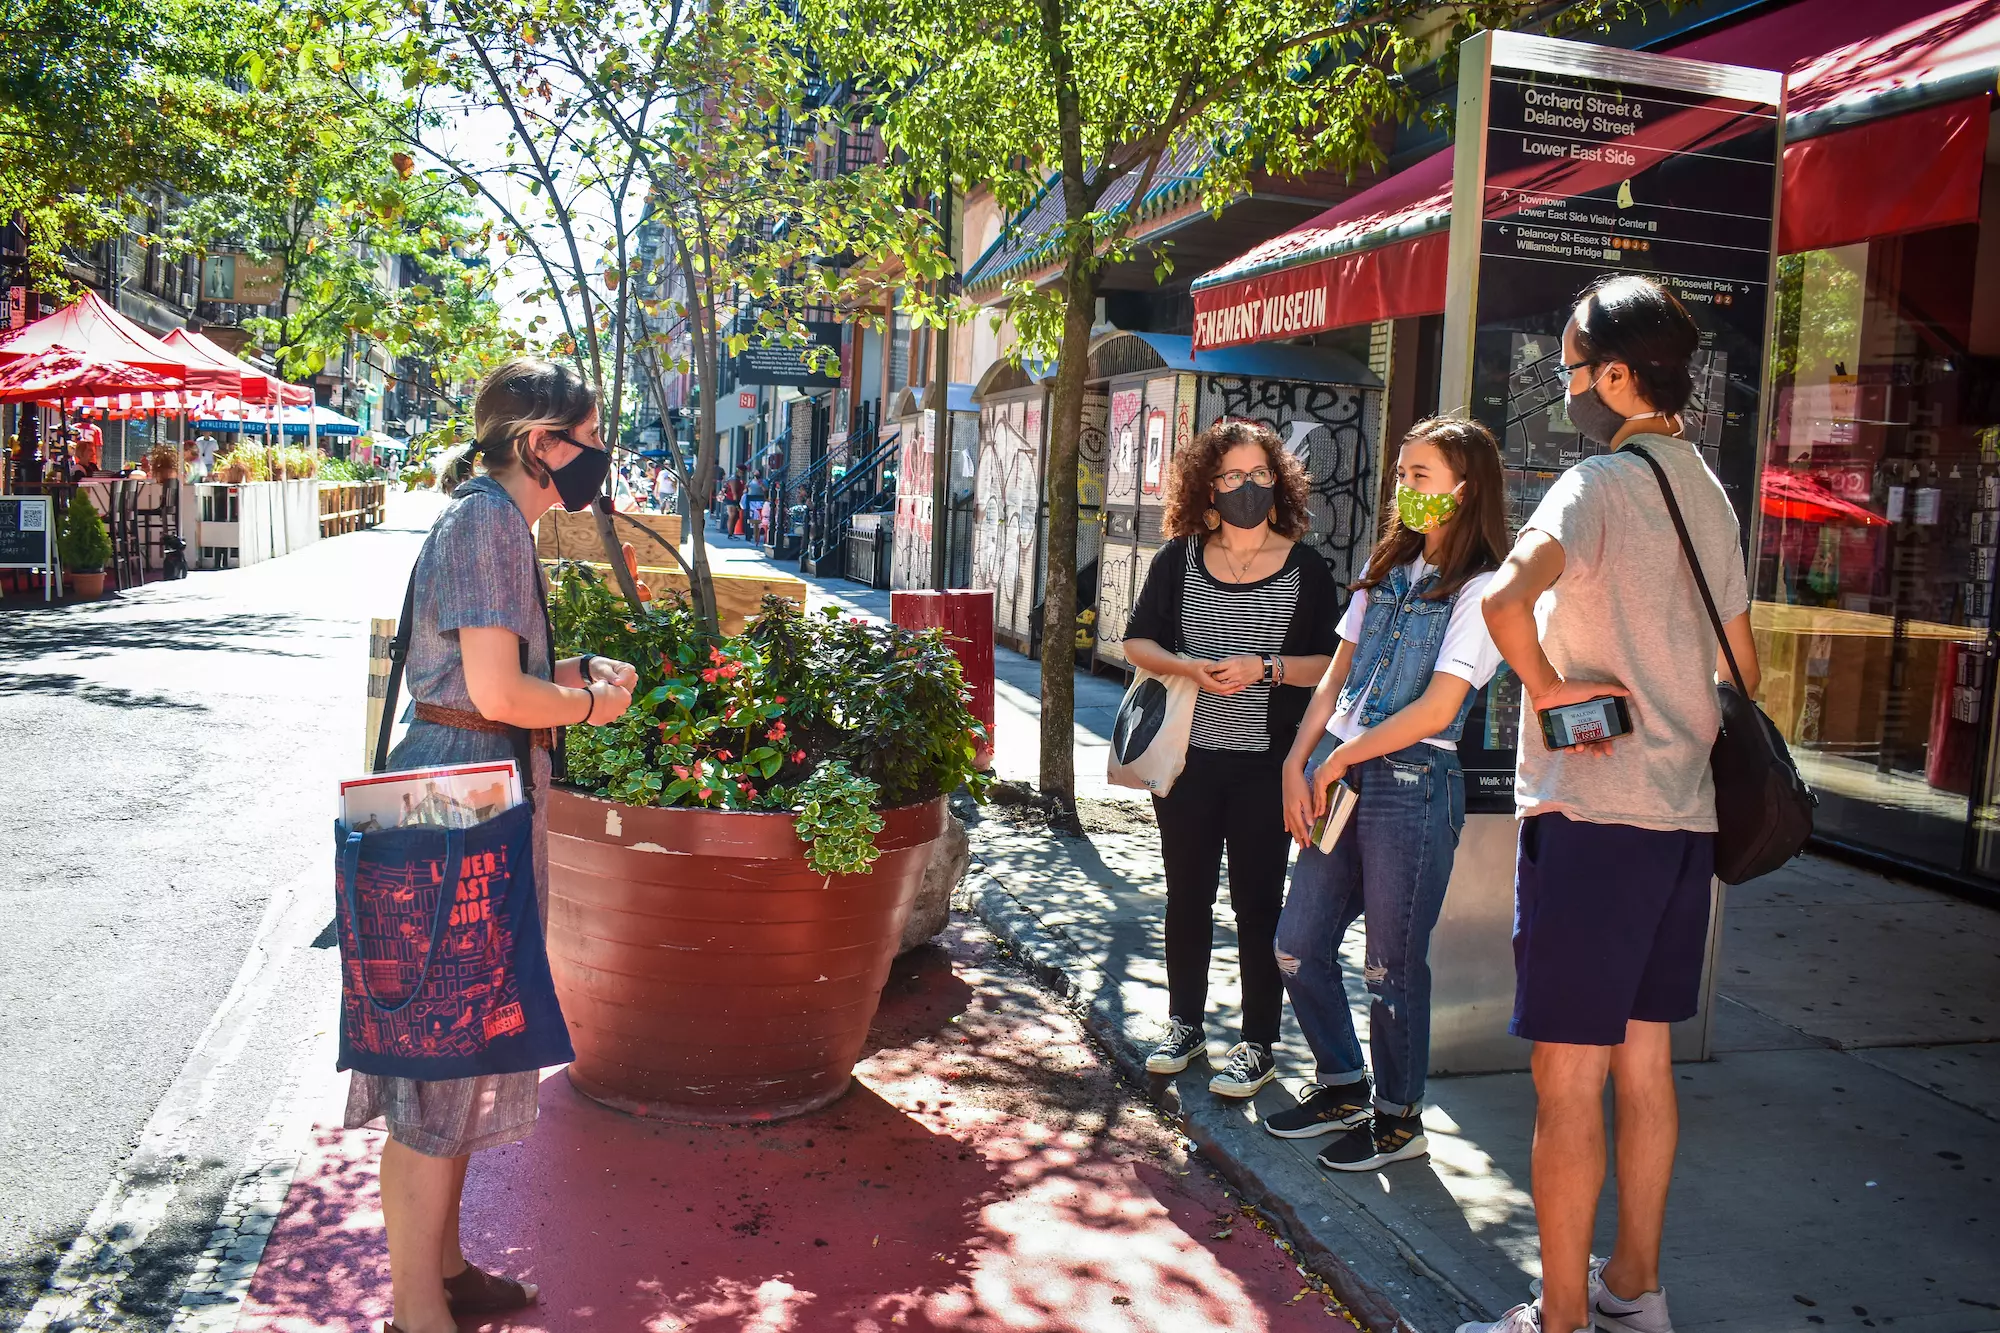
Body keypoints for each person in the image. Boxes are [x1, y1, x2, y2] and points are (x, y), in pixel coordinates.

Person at [1466, 276, 1761, 1333]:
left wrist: (1547, 690)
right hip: (1679, 824)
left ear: (1619, 374)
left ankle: (1557, 1323)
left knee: (1564, 1086)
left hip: (1589, 823)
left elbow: (1502, 599)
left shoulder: (1590, 488)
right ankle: (1632, 1293)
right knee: (1643, 1069)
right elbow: (1746, 672)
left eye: (1571, 369)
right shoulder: (1706, 493)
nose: (1565, 386)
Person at [345, 356, 637, 1333]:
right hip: (455, 805)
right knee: (436, 1063)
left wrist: (569, 677)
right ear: (539, 444)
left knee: (460, 1053)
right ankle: (417, 1312)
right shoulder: (484, 523)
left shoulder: (492, 522)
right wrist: (590, 702)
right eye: (589, 442)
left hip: (472, 791)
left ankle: (448, 1271)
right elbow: (500, 694)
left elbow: (493, 676)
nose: (597, 460)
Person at [1269, 417, 1508, 1171]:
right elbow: (1337, 677)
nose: (1404, 489)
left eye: (1421, 476)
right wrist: (1298, 760)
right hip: (1342, 768)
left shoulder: (1484, 589)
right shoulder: (1387, 568)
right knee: (1298, 945)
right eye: (1401, 474)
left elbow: (1439, 709)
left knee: (1390, 967)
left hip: (1413, 782)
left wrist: (1341, 760)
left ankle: (1399, 1119)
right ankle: (1342, 1082)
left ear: (1465, 489)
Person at [1122, 419, 1339, 1099]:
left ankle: (1257, 1042)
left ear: (1279, 483)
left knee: (1258, 905)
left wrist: (1266, 666)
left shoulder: (1307, 569)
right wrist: (1188, 664)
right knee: (1186, 896)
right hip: (1186, 764)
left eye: (1259, 474)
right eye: (1232, 476)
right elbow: (1137, 643)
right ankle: (1184, 1023)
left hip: (1264, 768)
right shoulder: (1178, 561)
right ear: (1207, 487)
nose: (1248, 487)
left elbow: (1329, 666)